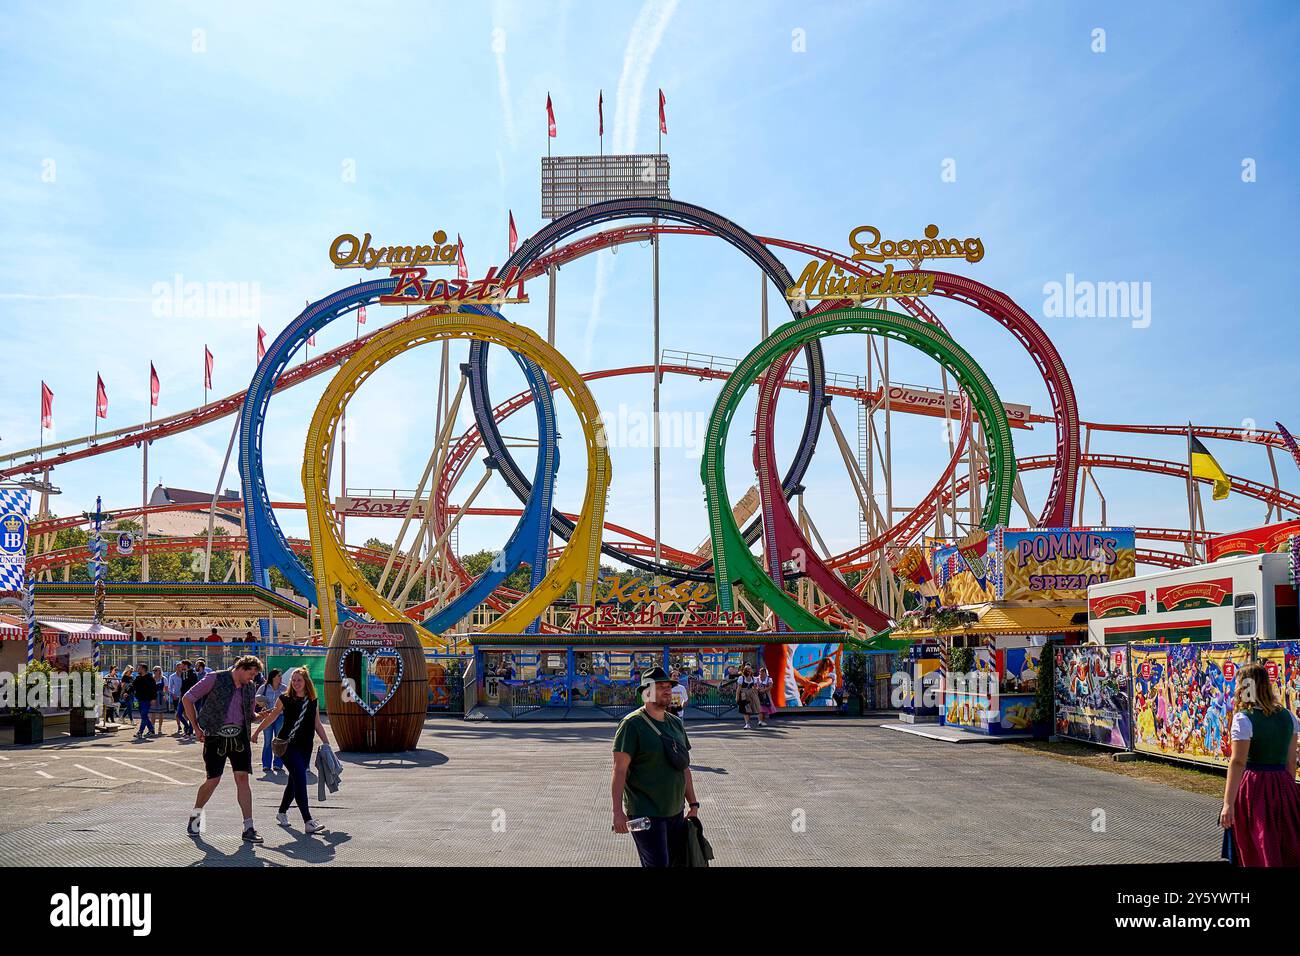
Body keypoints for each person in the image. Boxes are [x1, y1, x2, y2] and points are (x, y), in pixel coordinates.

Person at [611, 666, 701, 868]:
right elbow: (619, 770)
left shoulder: (675, 723)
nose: (667, 691)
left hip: (675, 811)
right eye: (660, 687)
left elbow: (684, 767)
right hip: (645, 813)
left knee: (677, 863)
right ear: (646, 693)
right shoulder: (632, 725)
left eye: (669, 687)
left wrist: (693, 804)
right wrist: (617, 812)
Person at [1220, 661, 1300, 866]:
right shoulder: (1288, 717)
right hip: (1284, 784)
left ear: (1245, 686)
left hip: (1255, 787)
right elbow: (1291, 763)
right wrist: (1287, 793)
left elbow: (1238, 762)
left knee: (1259, 843)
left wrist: (1228, 804)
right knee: (1284, 843)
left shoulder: (1244, 719)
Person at [182, 655, 265, 843]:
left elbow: (249, 714)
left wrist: (259, 716)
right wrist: (196, 728)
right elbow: (188, 698)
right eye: (251, 674)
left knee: (242, 778)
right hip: (215, 736)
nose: (252, 678)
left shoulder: (249, 687)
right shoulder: (215, 678)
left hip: (239, 736)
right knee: (213, 780)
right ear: (241, 668)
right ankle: (195, 818)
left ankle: (248, 827)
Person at [252, 667, 330, 835]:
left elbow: (317, 724)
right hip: (287, 746)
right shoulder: (284, 698)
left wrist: (327, 743)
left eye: (299, 680)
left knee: (294, 781)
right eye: (293, 680)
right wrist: (257, 732)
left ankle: (281, 812)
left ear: (306, 682)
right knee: (300, 779)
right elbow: (272, 716)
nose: (295, 683)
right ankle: (308, 821)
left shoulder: (313, 700)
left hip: (306, 747)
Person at [255, 669, 287, 774]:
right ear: (273, 677)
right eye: (279, 676)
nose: (281, 678)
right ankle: (266, 765)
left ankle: (278, 764)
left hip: (280, 717)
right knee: (267, 741)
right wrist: (262, 702)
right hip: (268, 716)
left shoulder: (284, 688)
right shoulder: (264, 687)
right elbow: (256, 698)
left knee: (278, 740)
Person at [132, 664, 158, 738]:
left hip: (147, 700)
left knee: (144, 715)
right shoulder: (138, 678)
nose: (137, 669)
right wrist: (127, 692)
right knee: (144, 716)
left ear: (143, 669)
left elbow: (154, 689)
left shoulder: (150, 678)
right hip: (140, 699)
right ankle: (151, 730)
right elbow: (133, 686)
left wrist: (153, 699)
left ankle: (140, 732)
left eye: (139, 668)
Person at [735, 664, 764, 729]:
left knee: (757, 706)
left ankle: (760, 721)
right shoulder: (741, 678)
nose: (748, 670)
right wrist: (737, 697)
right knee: (746, 709)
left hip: (752, 694)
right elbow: (738, 689)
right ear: (744, 670)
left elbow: (755, 687)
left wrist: (757, 694)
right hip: (744, 695)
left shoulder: (753, 678)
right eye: (747, 669)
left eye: (749, 669)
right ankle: (747, 724)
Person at [165, 663, 187, 737]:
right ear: (176, 668)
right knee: (177, 712)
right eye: (179, 667)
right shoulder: (172, 676)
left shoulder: (185, 675)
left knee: (185, 712)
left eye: (181, 667)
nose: (180, 669)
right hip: (176, 697)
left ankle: (186, 725)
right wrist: (172, 694)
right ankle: (178, 726)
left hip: (184, 696)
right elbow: (170, 687)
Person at [178, 660, 198, 739]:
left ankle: (190, 732)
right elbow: (183, 685)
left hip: (190, 697)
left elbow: (194, 685)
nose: (181, 666)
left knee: (190, 715)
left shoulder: (193, 674)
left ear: (186, 665)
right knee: (179, 714)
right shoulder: (183, 674)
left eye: (183, 665)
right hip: (182, 697)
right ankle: (187, 727)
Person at [151, 666, 168, 733]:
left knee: (161, 713)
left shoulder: (164, 679)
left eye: (156, 670)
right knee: (153, 712)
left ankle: (160, 728)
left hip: (161, 697)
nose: (154, 671)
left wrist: (165, 696)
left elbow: (166, 689)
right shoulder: (151, 679)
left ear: (160, 671)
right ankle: (152, 728)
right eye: (154, 670)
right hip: (153, 696)